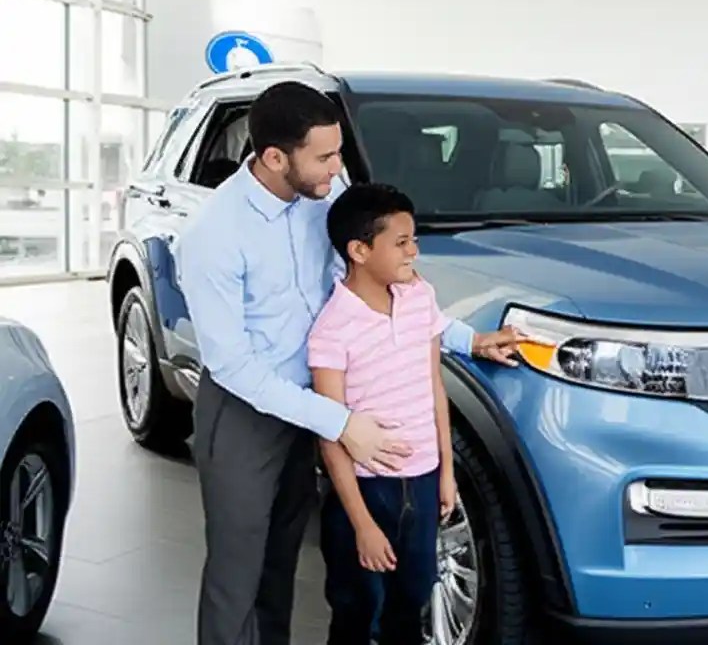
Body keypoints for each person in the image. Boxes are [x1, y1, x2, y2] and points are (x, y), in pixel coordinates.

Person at [175, 81, 531, 645]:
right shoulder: (212, 238)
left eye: (337, 152)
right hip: (249, 409)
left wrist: (468, 339)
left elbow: (374, 292)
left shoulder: (323, 190)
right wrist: (341, 424)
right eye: (324, 157)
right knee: (236, 569)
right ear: (273, 158)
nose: (339, 168)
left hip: (320, 398)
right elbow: (234, 365)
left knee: (281, 558)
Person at [309, 183, 450, 644]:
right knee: (357, 611)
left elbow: (435, 386)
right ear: (360, 250)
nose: (414, 251)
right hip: (367, 493)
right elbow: (331, 433)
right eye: (402, 242)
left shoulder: (420, 297)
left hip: (424, 481)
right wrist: (363, 526)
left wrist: (446, 471)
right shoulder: (333, 328)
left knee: (410, 607)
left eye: (414, 239)